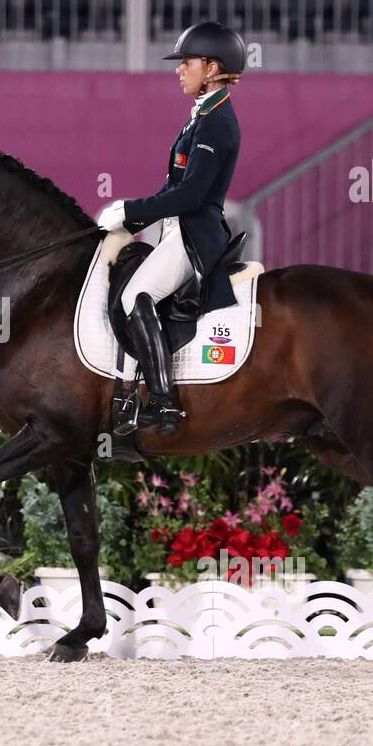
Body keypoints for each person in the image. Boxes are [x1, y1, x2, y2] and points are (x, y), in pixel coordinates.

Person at [96, 21, 245, 435]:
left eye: (187, 63)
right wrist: (136, 218)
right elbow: (174, 188)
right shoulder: (202, 116)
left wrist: (129, 211)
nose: (179, 70)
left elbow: (191, 196)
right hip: (178, 230)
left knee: (135, 295)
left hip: (195, 236)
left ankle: (162, 401)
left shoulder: (217, 123)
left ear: (212, 68)